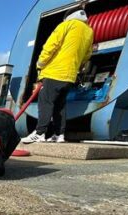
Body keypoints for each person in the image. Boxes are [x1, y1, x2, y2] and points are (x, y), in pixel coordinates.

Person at [21, 8, 93, 144]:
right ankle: (59, 135)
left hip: (54, 72)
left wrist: (40, 63)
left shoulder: (65, 25)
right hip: (70, 76)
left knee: (46, 102)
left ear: (68, 17)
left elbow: (51, 45)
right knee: (60, 106)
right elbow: (87, 55)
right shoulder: (89, 32)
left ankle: (39, 133)